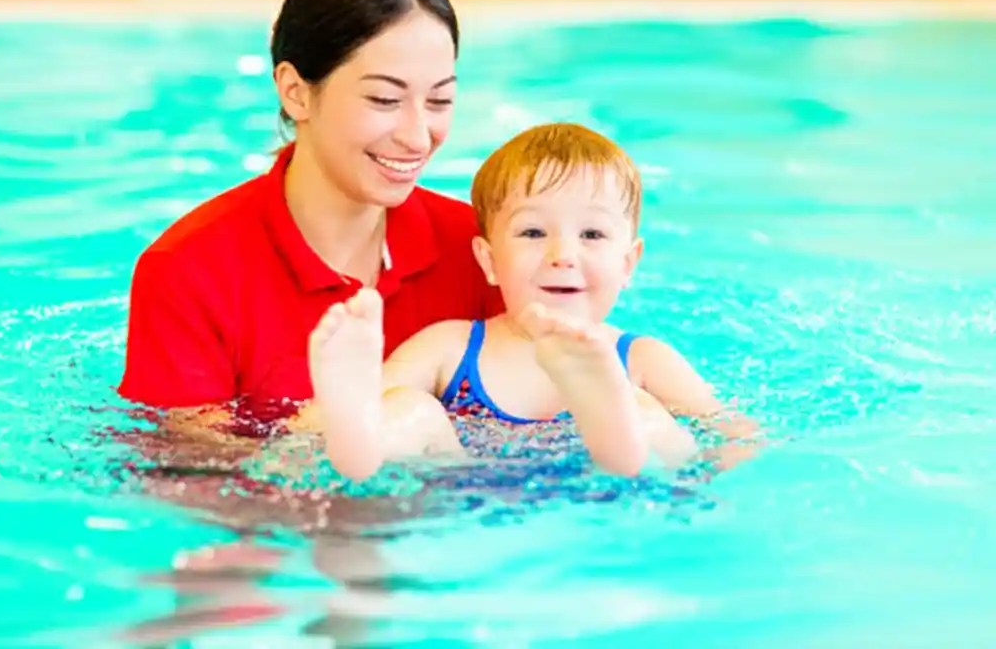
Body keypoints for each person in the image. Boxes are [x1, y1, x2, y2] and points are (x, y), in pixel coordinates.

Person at [118, 0, 502, 440]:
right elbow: (193, 480)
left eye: (439, 100)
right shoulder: (189, 271)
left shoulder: (482, 251)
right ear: (296, 91)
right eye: (384, 99)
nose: (418, 135)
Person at [306, 122, 760, 481]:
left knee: (650, 418)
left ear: (628, 263)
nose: (562, 256)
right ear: (488, 260)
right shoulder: (452, 346)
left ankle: (614, 428)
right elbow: (375, 404)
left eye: (592, 234)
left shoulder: (638, 360)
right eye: (532, 233)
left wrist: (714, 464)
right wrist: (342, 405)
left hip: (607, 493)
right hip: (457, 491)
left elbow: (734, 436)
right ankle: (356, 444)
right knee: (407, 409)